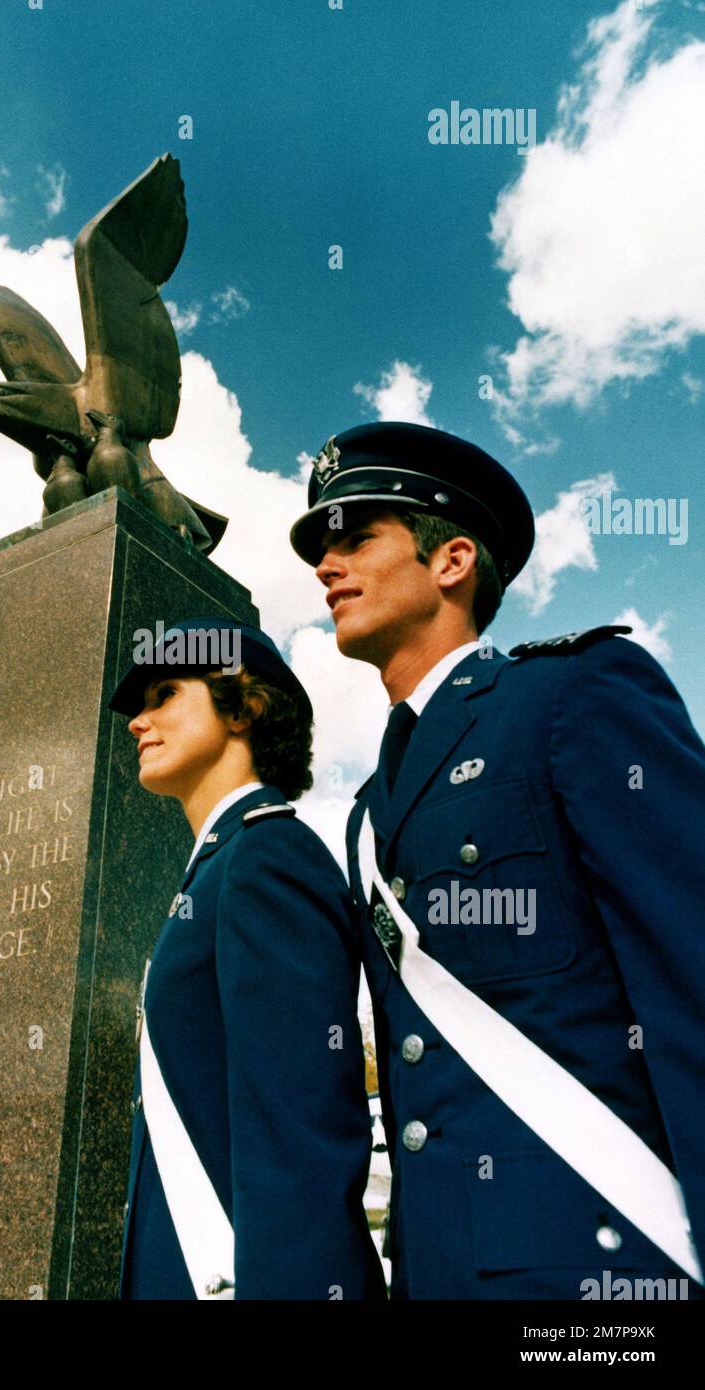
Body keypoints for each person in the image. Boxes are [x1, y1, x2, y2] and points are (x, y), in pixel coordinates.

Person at [290, 421, 705, 1300]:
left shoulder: (572, 695)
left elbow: (691, 968)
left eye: (357, 538)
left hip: (601, 1264)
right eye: (321, 549)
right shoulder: (368, 810)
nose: (325, 567)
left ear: (452, 562)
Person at [107, 617, 386, 1300]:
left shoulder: (265, 855)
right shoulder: (216, 866)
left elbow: (302, 1134)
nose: (137, 723)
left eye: (164, 694)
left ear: (243, 706)